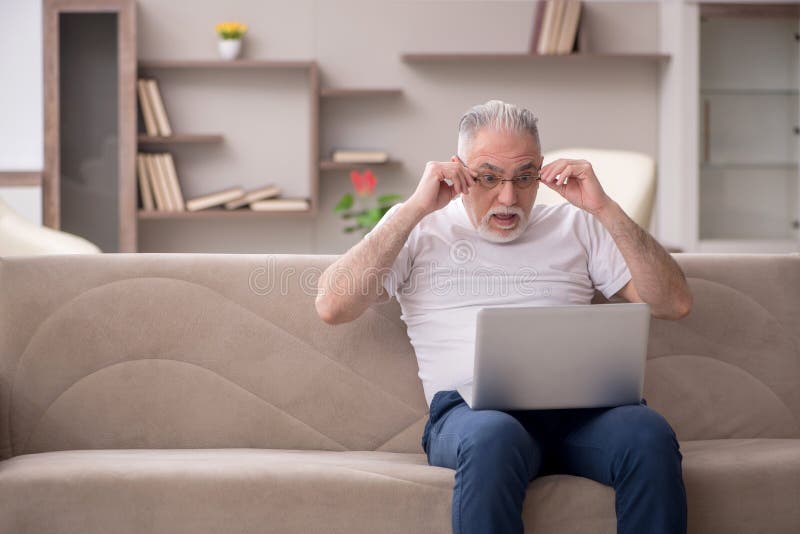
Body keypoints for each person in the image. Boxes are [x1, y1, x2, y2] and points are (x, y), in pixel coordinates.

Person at [315, 100, 691, 534]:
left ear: (542, 172)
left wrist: (604, 207)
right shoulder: (420, 226)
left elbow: (674, 303)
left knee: (647, 432)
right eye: (489, 177)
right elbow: (332, 306)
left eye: (525, 177)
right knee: (495, 435)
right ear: (458, 171)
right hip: (472, 417)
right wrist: (416, 208)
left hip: (581, 413)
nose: (508, 197)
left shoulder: (576, 224)